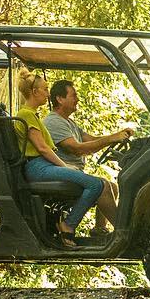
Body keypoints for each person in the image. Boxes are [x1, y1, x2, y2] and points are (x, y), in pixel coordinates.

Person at [14, 68, 105, 245]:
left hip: (44, 166)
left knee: (96, 183)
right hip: (39, 167)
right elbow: (43, 148)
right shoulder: (26, 114)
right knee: (95, 184)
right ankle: (68, 225)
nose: (48, 94)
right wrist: (64, 166)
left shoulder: (32, 115)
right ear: (35, 92)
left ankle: (71, 225)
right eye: (46, 89)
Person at [44, 79, 133, 234]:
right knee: (103, 186)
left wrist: (116, 136)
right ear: (60, 99)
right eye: (73, 95)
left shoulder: (68, 122)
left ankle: (100, 230)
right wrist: (111, 138)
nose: (77, 99)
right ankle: (124, 232)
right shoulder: (53, 122)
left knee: (112, 187)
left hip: (73, 172)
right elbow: (77, 149)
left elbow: (91, 140)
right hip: (62, 172)